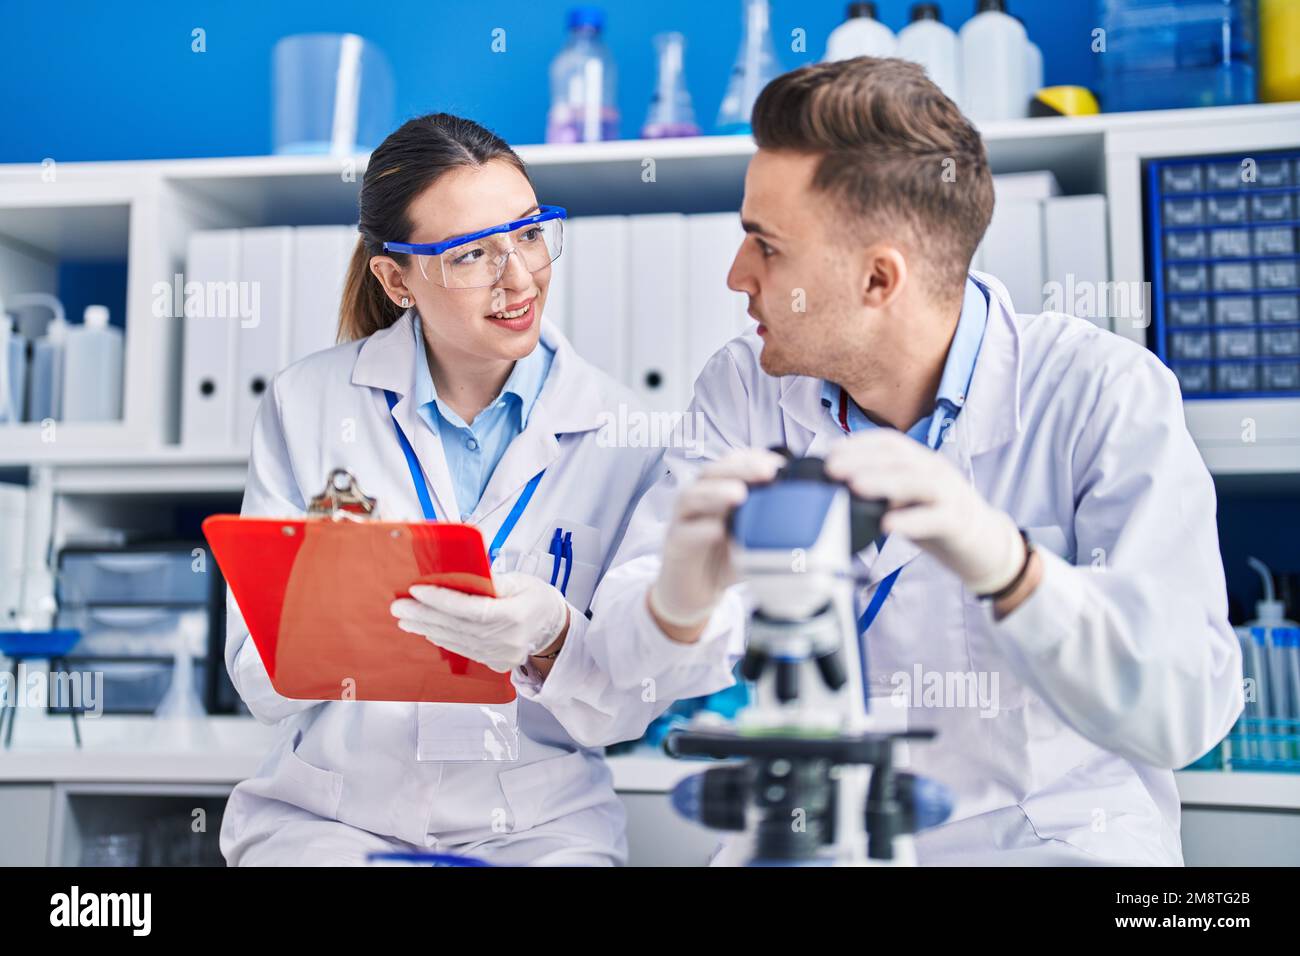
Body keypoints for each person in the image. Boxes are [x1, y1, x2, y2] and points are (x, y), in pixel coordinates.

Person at [428, 58, 1243, 865]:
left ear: (878, 278)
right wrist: (676, 603)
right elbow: (621, 687)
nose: (735, 275)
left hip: (1044, 844)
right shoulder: (745, 388)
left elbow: (1186, 712)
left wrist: (1016, 574)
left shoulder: (1101, 392)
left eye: (766, 247)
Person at [220, 113, 662, 866]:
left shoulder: (625, 431)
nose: (518, 277)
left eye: (529, 233)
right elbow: (257, 678)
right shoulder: (308, 404)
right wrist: (354, 624)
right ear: (396, 280)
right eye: (471, 255)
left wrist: (554, 635)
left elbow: (633, 704)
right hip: (334, 819)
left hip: (541, 829)